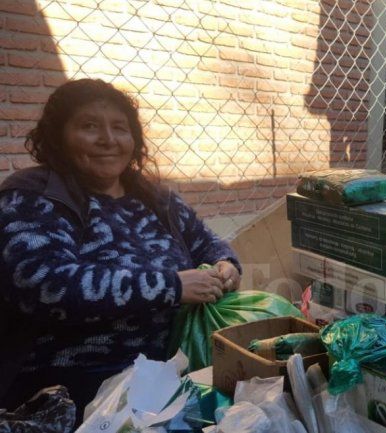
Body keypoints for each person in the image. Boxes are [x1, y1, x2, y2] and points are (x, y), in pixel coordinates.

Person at [0, 79, 242, 419]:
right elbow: (46, 283)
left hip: (170, 371)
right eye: (89, 127)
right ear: (58, 136)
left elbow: (208, 243)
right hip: (73, 389)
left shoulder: (155, 199)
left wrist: (225, 263)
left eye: (120, 128)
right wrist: (171, 286)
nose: (108, 140)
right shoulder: (33, 196)